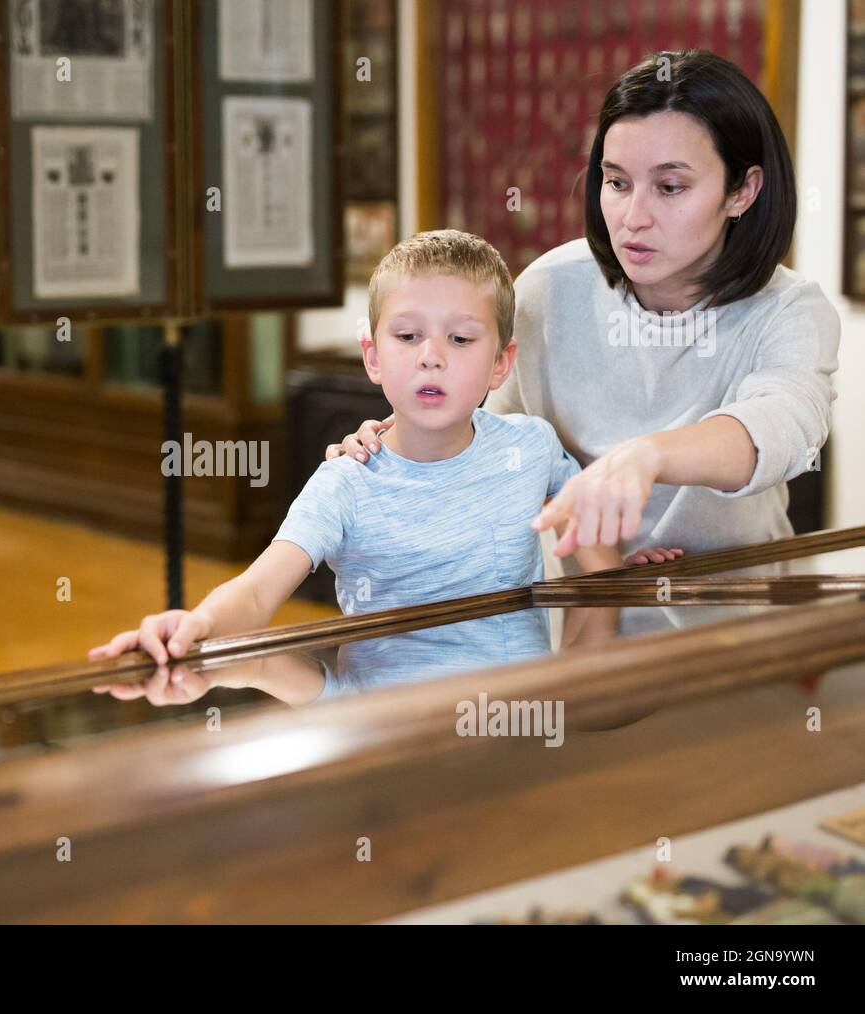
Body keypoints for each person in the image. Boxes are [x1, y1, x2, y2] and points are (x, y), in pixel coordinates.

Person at [329, 51, 838, 633]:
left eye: (670, 187)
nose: (633, 217)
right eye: (616, 182)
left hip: (730, 630)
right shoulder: (549, 289)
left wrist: (644, 458)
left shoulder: (788, 310)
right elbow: (491, 449)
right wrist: (393, 445)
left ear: (743, 191)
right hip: (579, 620)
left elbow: (781, 426)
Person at [90, 230, 648, 704]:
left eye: (460, 338)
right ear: (373, 356)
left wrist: (623, 576)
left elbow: (596, 537)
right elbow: (258, 593)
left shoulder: (532, 447)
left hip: (515, 731)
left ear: (501, 362)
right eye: (407, 336)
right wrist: (199, 630)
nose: (432, 354)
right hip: (380, 728)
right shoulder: (346, 481)